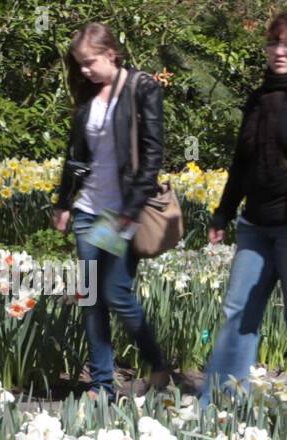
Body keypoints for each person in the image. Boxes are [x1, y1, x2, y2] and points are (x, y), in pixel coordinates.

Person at [201, 11, 287, 405]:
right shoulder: (260, 97)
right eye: (275, 43)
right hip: (255, 225)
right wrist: (223, 212)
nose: (280, 52)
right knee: (238, 312)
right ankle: (220, 402)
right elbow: (242, 161)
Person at [52, 22, 170, 400]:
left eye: (89, 62)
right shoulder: (88, 95)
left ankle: (159, 366)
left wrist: (132, 209)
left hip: (119, 213)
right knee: (90, 297)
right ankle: (102, 385)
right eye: (79, 64)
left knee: (117, 293)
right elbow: (75, 155)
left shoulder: (141, 88)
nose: (84, 70)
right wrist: (63, 203)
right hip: (89, 210)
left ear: (111, 54)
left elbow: (153, 152)